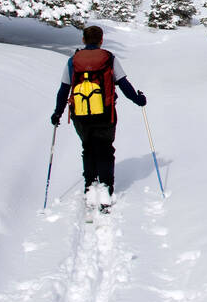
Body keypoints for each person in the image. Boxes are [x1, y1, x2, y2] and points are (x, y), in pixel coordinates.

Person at [51, 25, 147, 210]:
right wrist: (139, 100)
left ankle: (89, 184)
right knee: (105, 148)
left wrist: (57, 112)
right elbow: (123, 83)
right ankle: (106, 186)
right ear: (101, 40)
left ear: (83, 40)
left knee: (88, 147)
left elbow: (64, 89)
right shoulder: (108, 58)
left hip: (80, 114)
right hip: (106, 112)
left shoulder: (73, 61)